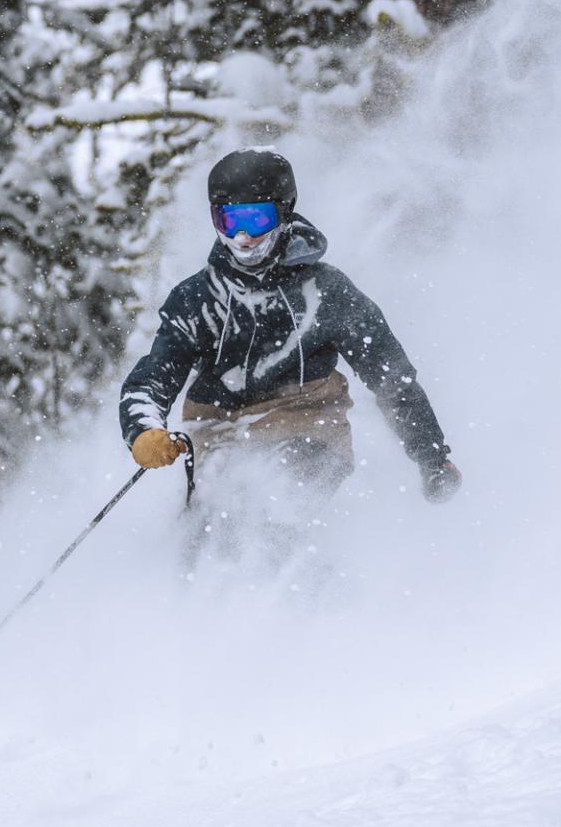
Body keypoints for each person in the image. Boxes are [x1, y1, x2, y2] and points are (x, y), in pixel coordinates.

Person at [118, 148, 461, 538]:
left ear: (284, 213)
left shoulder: (326, 292)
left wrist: (431, 456)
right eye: (229, 221)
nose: (243, 237)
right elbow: (155, 373)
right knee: (213, 523)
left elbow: (390, 375)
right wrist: (143, 429)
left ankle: (303, 586)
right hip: (221, 433)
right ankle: (200, 588)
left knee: (277, 501)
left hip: (308, 423)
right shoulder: (199, 298)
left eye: (256, 219)